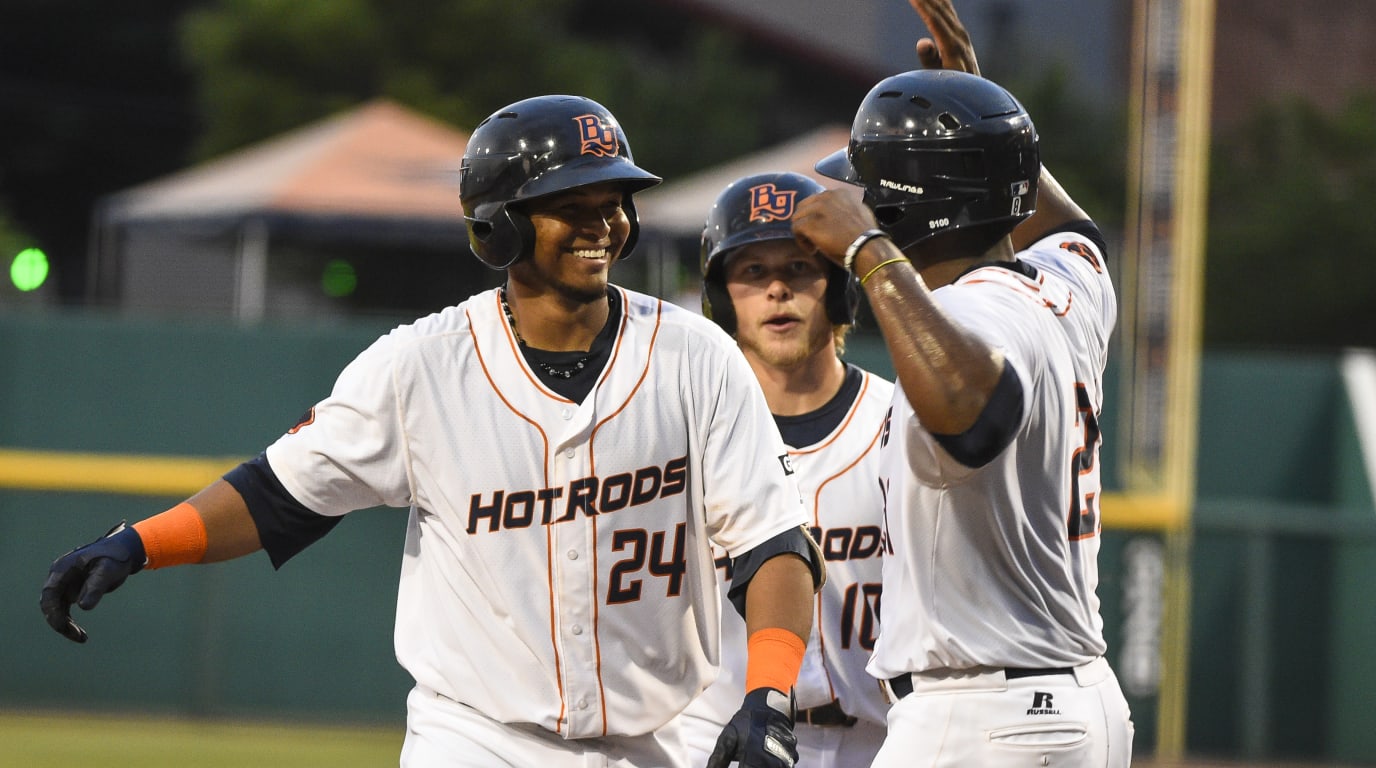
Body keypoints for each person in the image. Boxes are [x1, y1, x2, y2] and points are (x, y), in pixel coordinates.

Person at [40, 94, 822, 768]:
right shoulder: (423, 365)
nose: (604, 225)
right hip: (472, 738)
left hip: (647, 742)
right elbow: (280, 493)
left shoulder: (696, 357)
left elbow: (772, 545)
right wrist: (139, 543)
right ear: (501, 226)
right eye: (573, 208)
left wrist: (769, 693)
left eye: (614, 203)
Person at [789, 0, 1136, 765]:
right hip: (1076, 703)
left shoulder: (972, 315)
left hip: (982, 718)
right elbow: (1078, 234)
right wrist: (987, 128)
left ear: (906, 212)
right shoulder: (1059, 288)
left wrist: (871, 253)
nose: (860, 200)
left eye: (874, 190)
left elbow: (976, 415)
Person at [675, 172, 894, 768]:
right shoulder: (682, 436)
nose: (777, 289)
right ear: (721, 297)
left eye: (799, 268)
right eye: (751, 271)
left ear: (841, 288)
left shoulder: (898, 424)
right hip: (717, 739)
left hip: (880, 740)